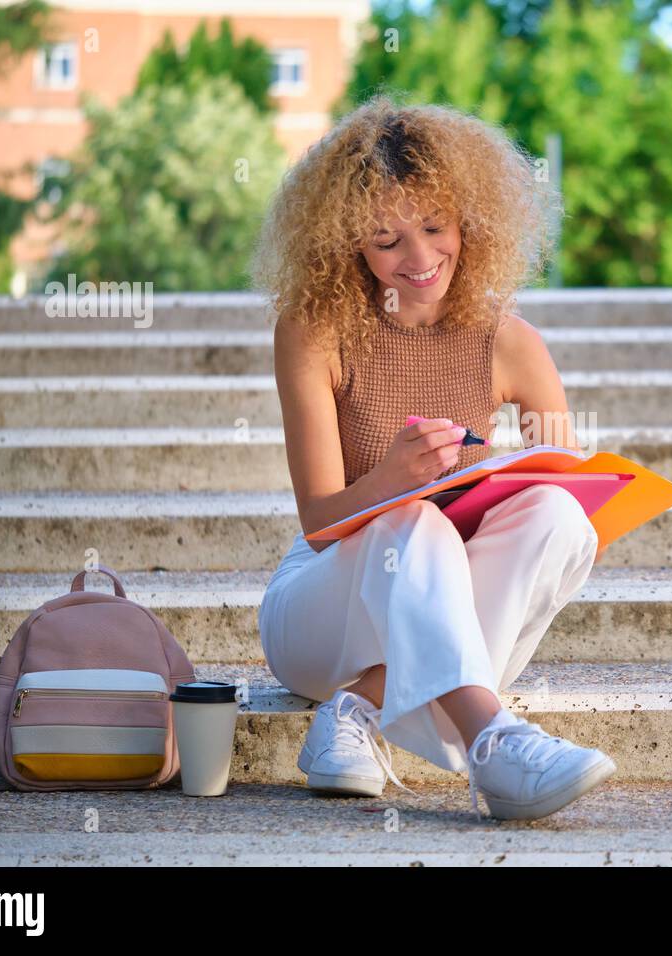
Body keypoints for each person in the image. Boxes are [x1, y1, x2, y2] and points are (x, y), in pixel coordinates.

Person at [249, 95, 616, 820]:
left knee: (558, 516)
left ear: (470, 220)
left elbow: (568, 489)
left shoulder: (511, 342)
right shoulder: (312, 331)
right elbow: (321, 523)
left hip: (438, 594)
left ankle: (357, 711)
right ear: (346, 241)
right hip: (321, 610)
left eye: (434, 227)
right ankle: (494, 746)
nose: (418, 259)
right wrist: (392, 481)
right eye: (385, 240)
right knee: (411, 521)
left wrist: (507, 493)